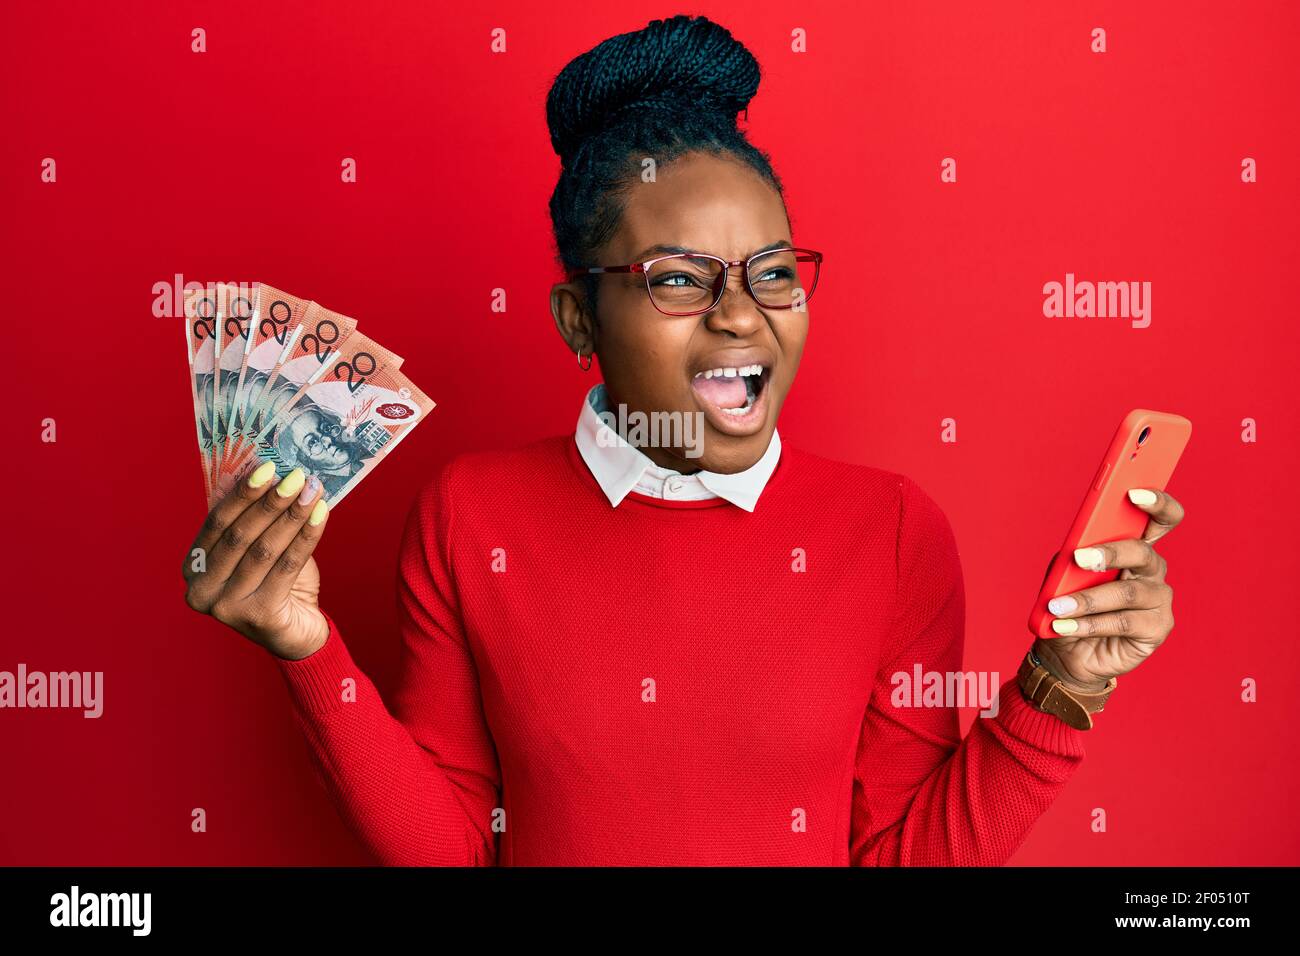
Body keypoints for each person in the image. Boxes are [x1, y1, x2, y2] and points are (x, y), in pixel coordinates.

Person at [181, 14, 1184, 866]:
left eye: (774, 272)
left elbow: (895, 853)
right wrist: (304, 647)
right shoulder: (469, 513)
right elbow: (456, 844)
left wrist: (1066, 682)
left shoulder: (890, 529)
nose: (741, 315)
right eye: (675, 278)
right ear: (578, 320)